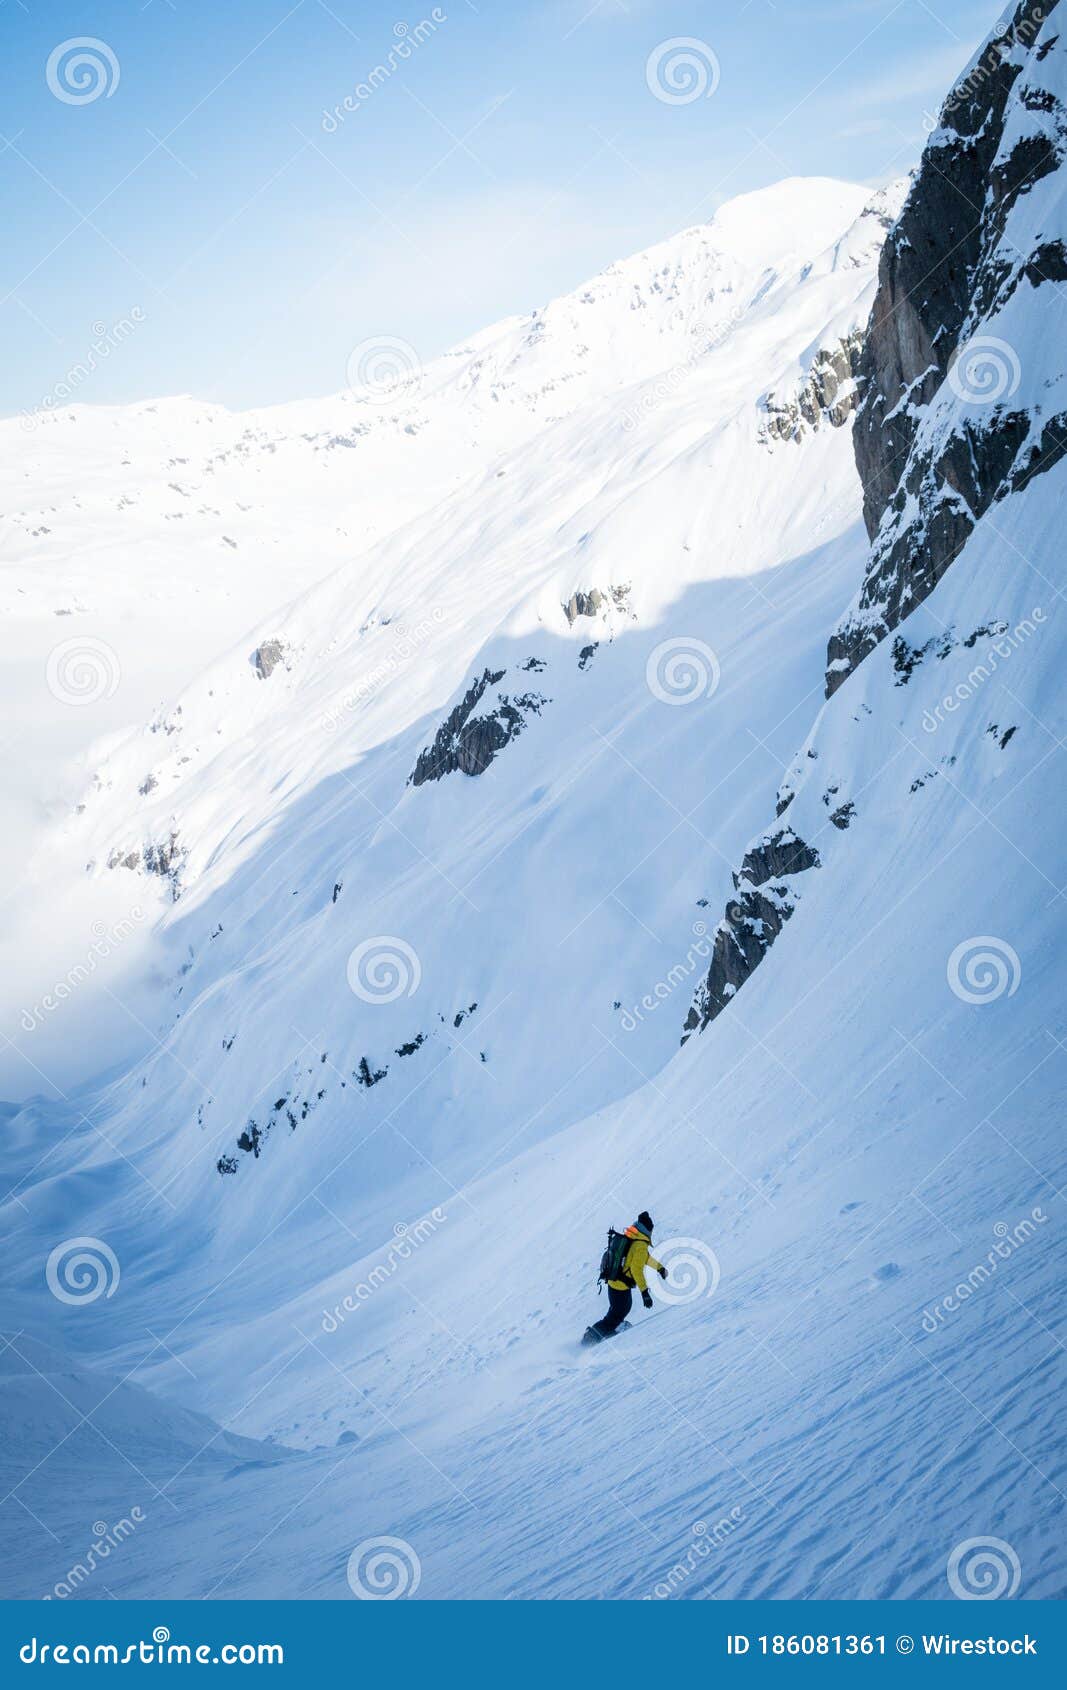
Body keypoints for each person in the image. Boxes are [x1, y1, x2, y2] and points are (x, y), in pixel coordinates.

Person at [585, 1211, 667, 1342]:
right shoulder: (640, 1244)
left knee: (620, 1310)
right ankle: (591, 1337)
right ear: (648, 1229)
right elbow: (636, 1269)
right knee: (617, 1314)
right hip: (620, 1285)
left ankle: (603, 1331)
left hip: (615, 1281)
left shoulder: (634, 1236)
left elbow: (644, 1258)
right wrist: (644, 1292)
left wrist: (660, 1268)